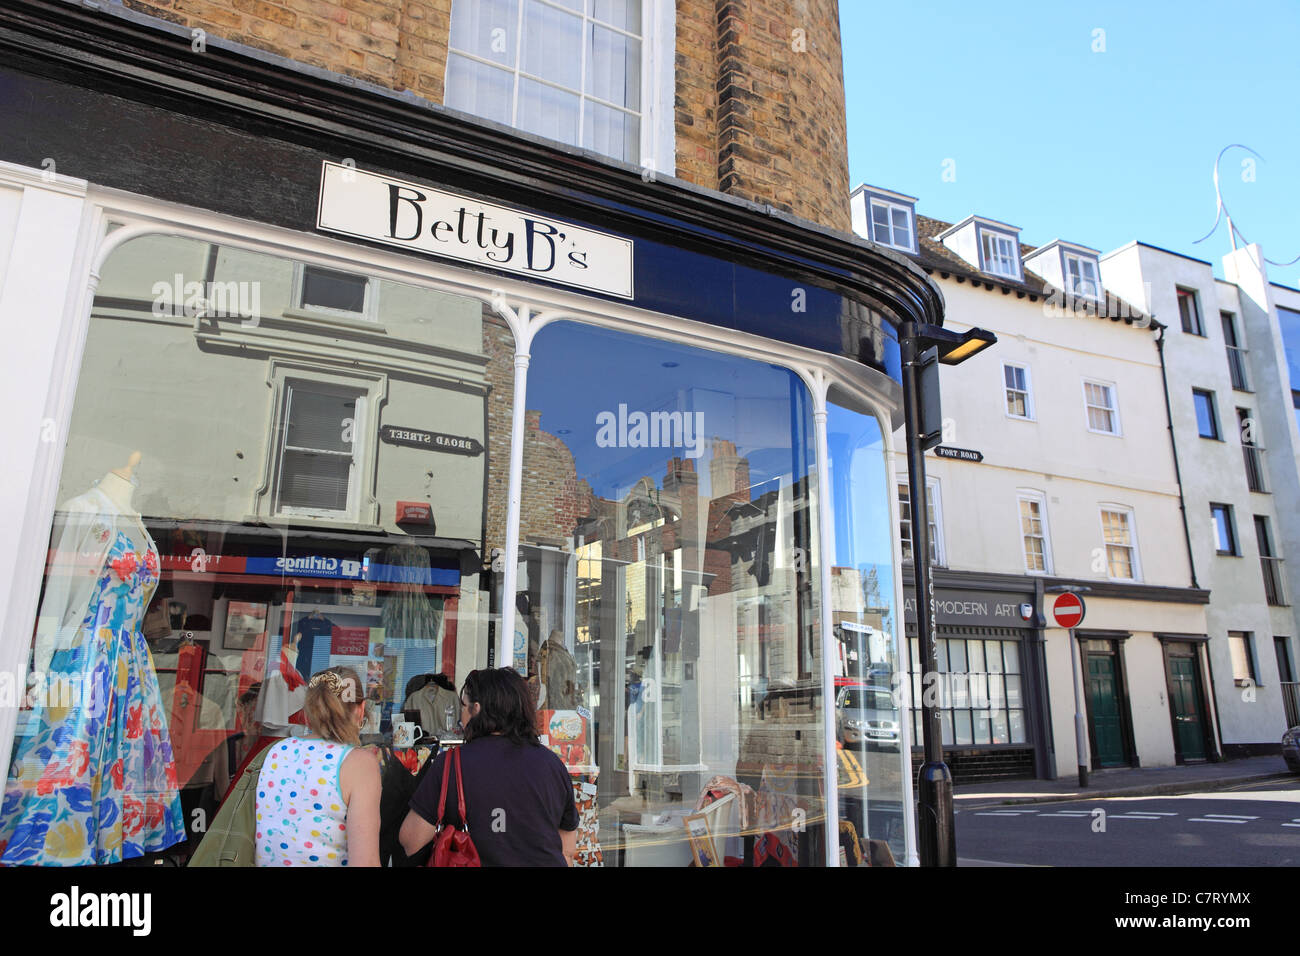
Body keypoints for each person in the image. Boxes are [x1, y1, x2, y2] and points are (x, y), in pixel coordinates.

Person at [399, 668, 577, 866]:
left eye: (463, 706)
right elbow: (567, 851)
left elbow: (410, 841)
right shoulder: (553, 764)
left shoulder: (451, 763)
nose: (461, 715)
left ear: (476, 709)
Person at [253, 666, 380, 866]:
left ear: (310, 707)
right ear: (361, 708)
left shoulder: (277, 751)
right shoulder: (359, 763)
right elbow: (366, 862)